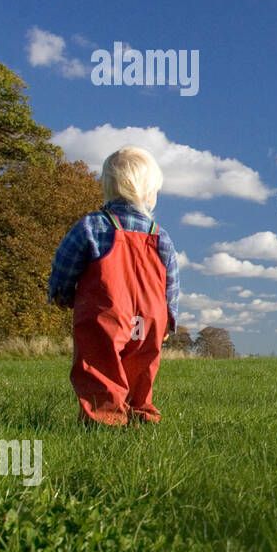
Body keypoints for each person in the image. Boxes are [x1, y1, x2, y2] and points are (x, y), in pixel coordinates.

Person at [48, 147, 179, 424]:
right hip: (149, 317)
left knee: (99, 363)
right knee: (141, 364)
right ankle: (141, 412)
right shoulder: (161, 235)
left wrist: (61, 291)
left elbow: (66, 260)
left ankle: (106, 418)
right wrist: (170, 317)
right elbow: (171, 280)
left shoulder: (93, 226)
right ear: (149, 193)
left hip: (106, 312)